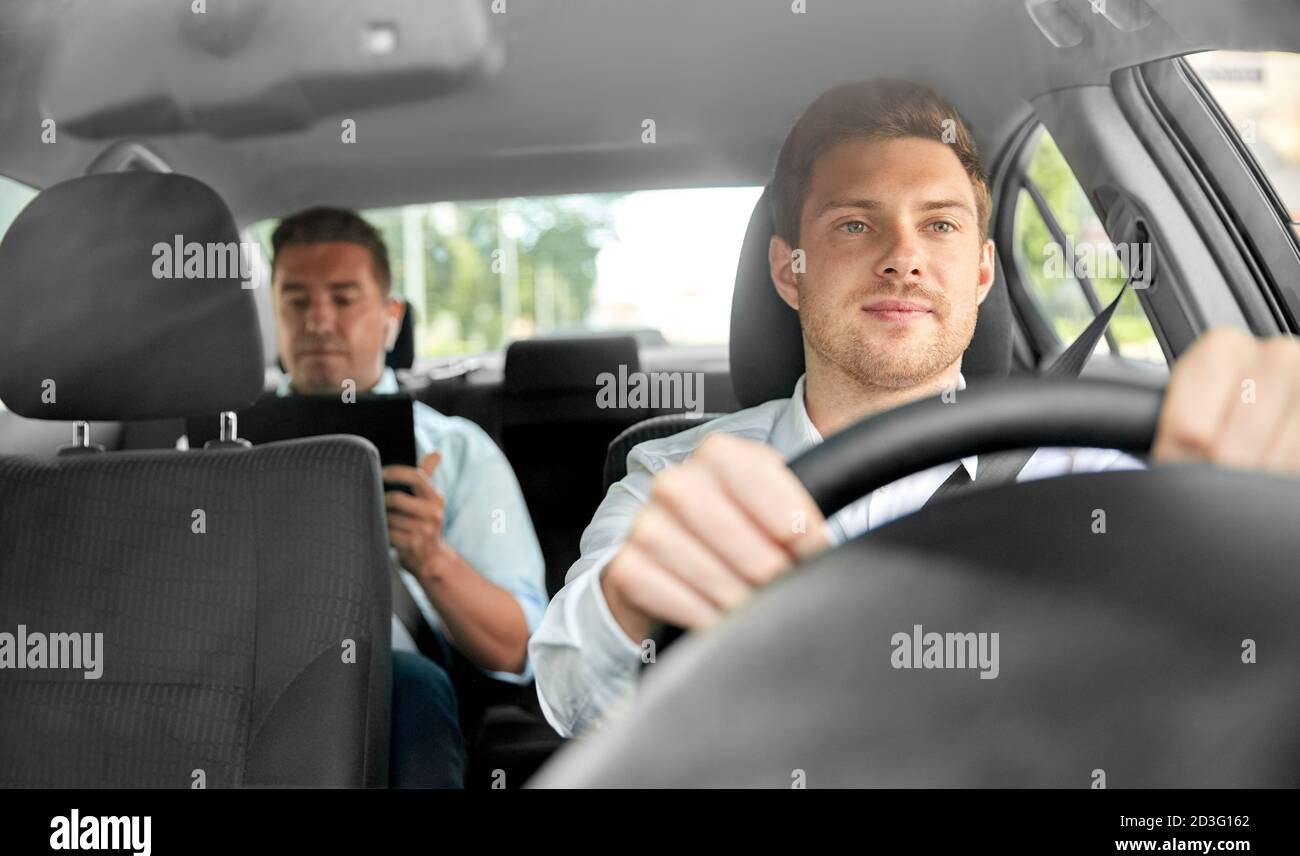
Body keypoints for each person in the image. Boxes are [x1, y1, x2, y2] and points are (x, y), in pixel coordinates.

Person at [528, 78, 1300, 739]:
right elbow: (568, 693)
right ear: (788, 272)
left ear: (983, 273)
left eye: (939, 224)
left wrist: (1259, 502)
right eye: (855, 224)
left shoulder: (1097, 470)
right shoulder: (679, 478)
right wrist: (633, 597)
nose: (904, 255)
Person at [269, 207, 548, 785]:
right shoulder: (220, 451)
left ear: (390, 318)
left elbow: (522, 650)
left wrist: (429, 559)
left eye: (344, 299)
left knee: (407, 684)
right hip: (242, 674)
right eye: (297, 301)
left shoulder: (456, 452)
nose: (319, 321)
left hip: (396, 691)